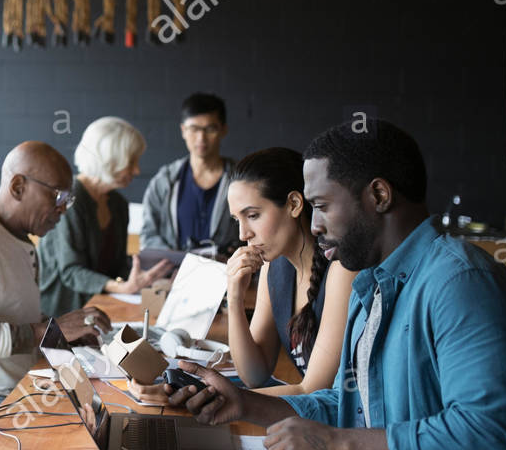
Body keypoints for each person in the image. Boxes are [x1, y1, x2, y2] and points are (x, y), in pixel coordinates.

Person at [171, 120, 506, 450]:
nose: (312, 225)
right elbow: (357, 405)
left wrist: (339, 444)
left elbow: (493, 437)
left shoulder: (461, 282)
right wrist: (249, 404)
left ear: (379, 196)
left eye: (322, 205)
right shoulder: (376, 287)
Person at [131, 147, 352, 404]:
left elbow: (313, 392)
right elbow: (254, 375)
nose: (243, 234)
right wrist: (234, 297)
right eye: (238, 219)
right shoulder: (275, 268)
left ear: (294, 204)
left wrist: (207, 397)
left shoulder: (341, 270)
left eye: (253, 215)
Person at [0, 141, 113, 445]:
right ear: (17, 186)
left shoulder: (18, 241)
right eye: (57, 196)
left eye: (69, 198)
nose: (63, 208)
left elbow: (15, 317)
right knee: (62, 447)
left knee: (99, 424)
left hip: (12, 389)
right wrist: (45, 331)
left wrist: (63, 330)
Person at [37, 117, 172, 316]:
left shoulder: (118, 205)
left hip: (101, 307)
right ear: (109, 160)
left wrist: (151, 276)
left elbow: (116, 266)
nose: (137, 170)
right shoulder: (69, 200)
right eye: (131, 162)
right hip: (63, 313)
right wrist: (123, 287)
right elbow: (71, 271)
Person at [140, 93, 240, 253]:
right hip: (174, 275)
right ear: (183, 130)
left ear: (223, 130)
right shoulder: (165, 180)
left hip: (227, 274)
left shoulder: (241, 179)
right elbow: (148, 235)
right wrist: (176, 261)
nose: (201, 138)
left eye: (210, 129)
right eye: (194, 129)